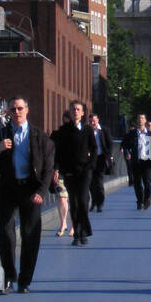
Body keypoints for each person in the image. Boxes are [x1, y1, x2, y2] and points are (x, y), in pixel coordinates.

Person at [0, 95, 54, 293]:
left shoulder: (39, 137)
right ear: (8, 112)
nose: (17, 112)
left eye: (20, 108)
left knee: (30, 235)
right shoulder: (1, 134)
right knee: (5, 233)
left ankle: (24, 281)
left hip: (30, 189)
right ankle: (7, 278)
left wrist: (41, 191)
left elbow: (48, 168)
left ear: (27, 110)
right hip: (7, 188)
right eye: (13, 109)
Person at [51, 101, 98, 245]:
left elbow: (94, 148)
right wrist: (57, 169)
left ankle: (84, 231)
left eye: (78, 109)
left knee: (83, 201)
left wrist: (91, 164)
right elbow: (58, 152)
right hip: (70, 171)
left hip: (84, 171)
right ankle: (78, 234)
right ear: (70, 113)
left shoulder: (88, 130)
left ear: (83, 113)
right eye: (73, 110)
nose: (76, 112)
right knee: (74, 202)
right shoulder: (64, 130)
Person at [122, 113, 151, 209]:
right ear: (137, 120)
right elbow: (125, 145)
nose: (140, 120)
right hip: (136, 161)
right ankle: (140, 200)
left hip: (147, 162)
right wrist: (127, 152)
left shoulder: (150, 134)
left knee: (147, 181)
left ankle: (147, 199)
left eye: (142, 118)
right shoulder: (132, 134)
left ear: (145, 121)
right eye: (139, 118)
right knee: (137, 182)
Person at [89, 114, 113, 213]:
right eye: (90, 121)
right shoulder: (87, 131)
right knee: (90, 182)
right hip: (90, 159)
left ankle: (100, 203)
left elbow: (110, 143)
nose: (92, 123)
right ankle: (93, 201)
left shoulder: (104, 130)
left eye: (94, 120)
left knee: (98, 182)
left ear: (98, 120)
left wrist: (109, 155)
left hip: (101, 158)